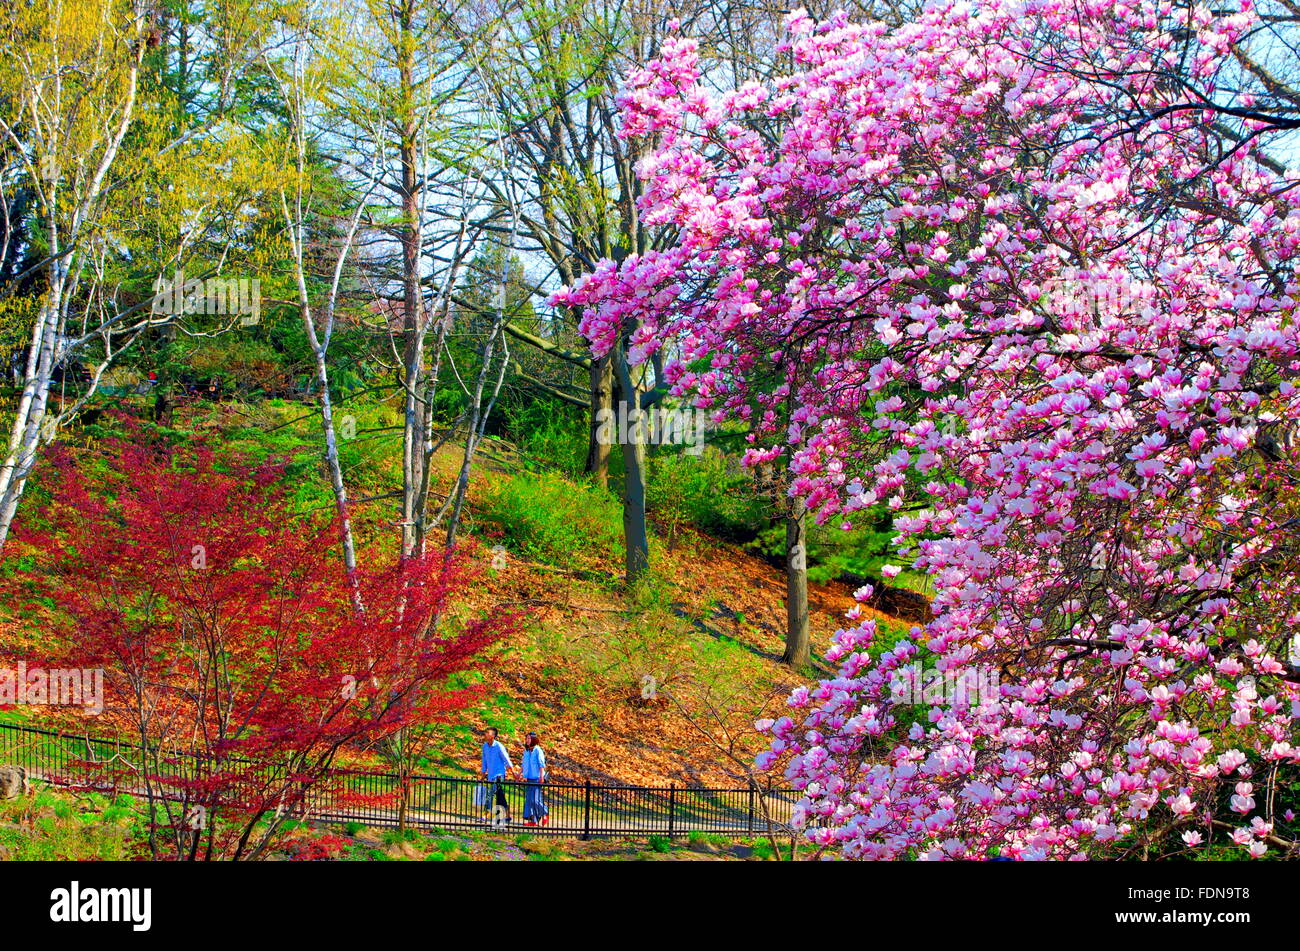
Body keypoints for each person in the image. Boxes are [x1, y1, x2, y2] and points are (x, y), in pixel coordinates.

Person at [480, 727, 513, 824]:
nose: (485, 734)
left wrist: (513, 771)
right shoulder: (485, 746)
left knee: (490, 794)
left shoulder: (499, 746)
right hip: (491, 775)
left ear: (493, 736)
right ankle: (507, 815)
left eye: (488, 733)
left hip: (499, 774)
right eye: (485, 732)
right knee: (500, 796)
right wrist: (483, 774)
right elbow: (484, 761)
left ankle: (486, 813)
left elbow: (506, 759)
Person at [519, 731, 548, 827]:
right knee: (530, 800)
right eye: (526, 738)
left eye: (529, 738)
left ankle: (545, 812)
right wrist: (519, 774)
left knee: (535, 800)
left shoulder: (537, 750)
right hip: (529, 777)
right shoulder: (526, 751)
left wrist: (541, 776)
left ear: (533, 740)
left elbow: (541, 764)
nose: (527, 740)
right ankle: (534, 820)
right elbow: (524, 764)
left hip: (536, 778)